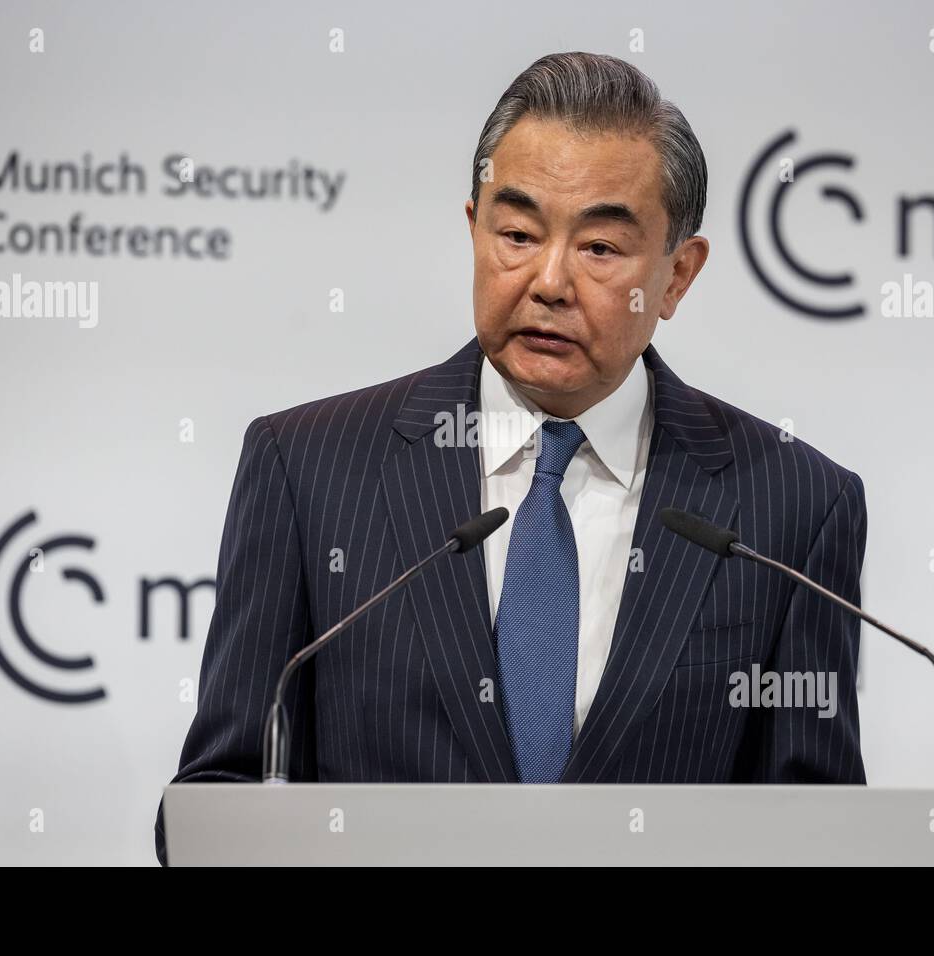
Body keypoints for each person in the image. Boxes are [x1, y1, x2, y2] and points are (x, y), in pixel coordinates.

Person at [155, 51, 866, 865]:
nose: (549, 281)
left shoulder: (792, 505)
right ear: (474, 229)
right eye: (518, 234)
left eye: (600, 248)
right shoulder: (308, 468)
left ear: (678, 276)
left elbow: (819, 837)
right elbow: (216, 804)